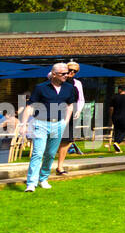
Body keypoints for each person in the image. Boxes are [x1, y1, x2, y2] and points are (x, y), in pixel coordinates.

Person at [18, 64, 79, 192]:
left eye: (67, 73)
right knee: (37, 153)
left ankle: (43, 178)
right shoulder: (40, 88)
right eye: (63, 73)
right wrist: (23, 124)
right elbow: (30, 107)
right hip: (40, 123)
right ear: (54, 74)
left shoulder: (69, 88)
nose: (66, 75)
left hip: (58, 124)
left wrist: (65, 122)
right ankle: (31, 183)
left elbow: (70, 106)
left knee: (50, 154)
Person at [54, 60, 86, 175]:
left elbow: (81, 99)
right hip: (55, 111)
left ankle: (60, 167)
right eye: (70, 70)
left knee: (67, 140)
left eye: (74, 71)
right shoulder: (55, 79)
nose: (71, 72)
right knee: (53, 139)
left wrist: (79, 110)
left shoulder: (77, 83)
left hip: (70, 112)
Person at [109, 85, 125, 153]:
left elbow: (111, 108)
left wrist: (111, 117)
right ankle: (117, 142)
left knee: (117, 131)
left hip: (115, 116)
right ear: (124, 90)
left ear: (119, 90)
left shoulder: (114, 97)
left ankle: (117, 148)